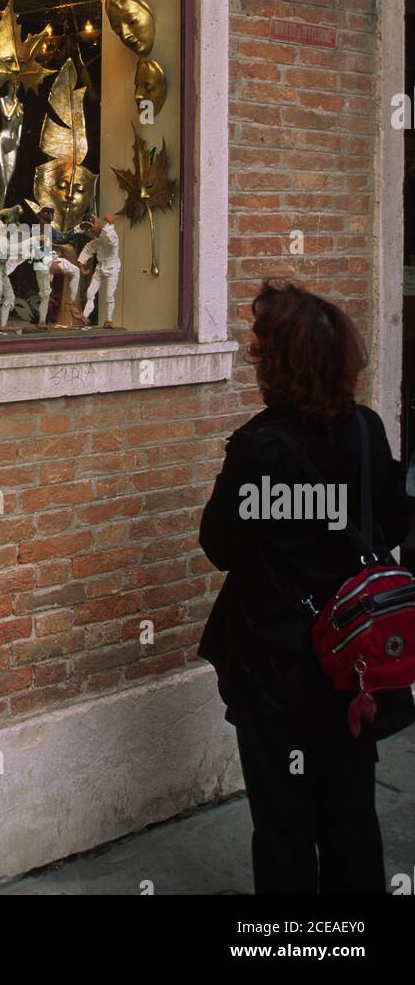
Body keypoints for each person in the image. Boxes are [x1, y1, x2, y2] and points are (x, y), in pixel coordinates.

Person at [198, 280, 415, 896]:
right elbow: (394, 523)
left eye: (261, 350)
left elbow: (220, 546)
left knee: (285, 822)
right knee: (349, 814)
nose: (253, 359)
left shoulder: (258, 448)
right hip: (355, 663)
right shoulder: (367, 430)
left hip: (276, 667)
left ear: (283, 364)